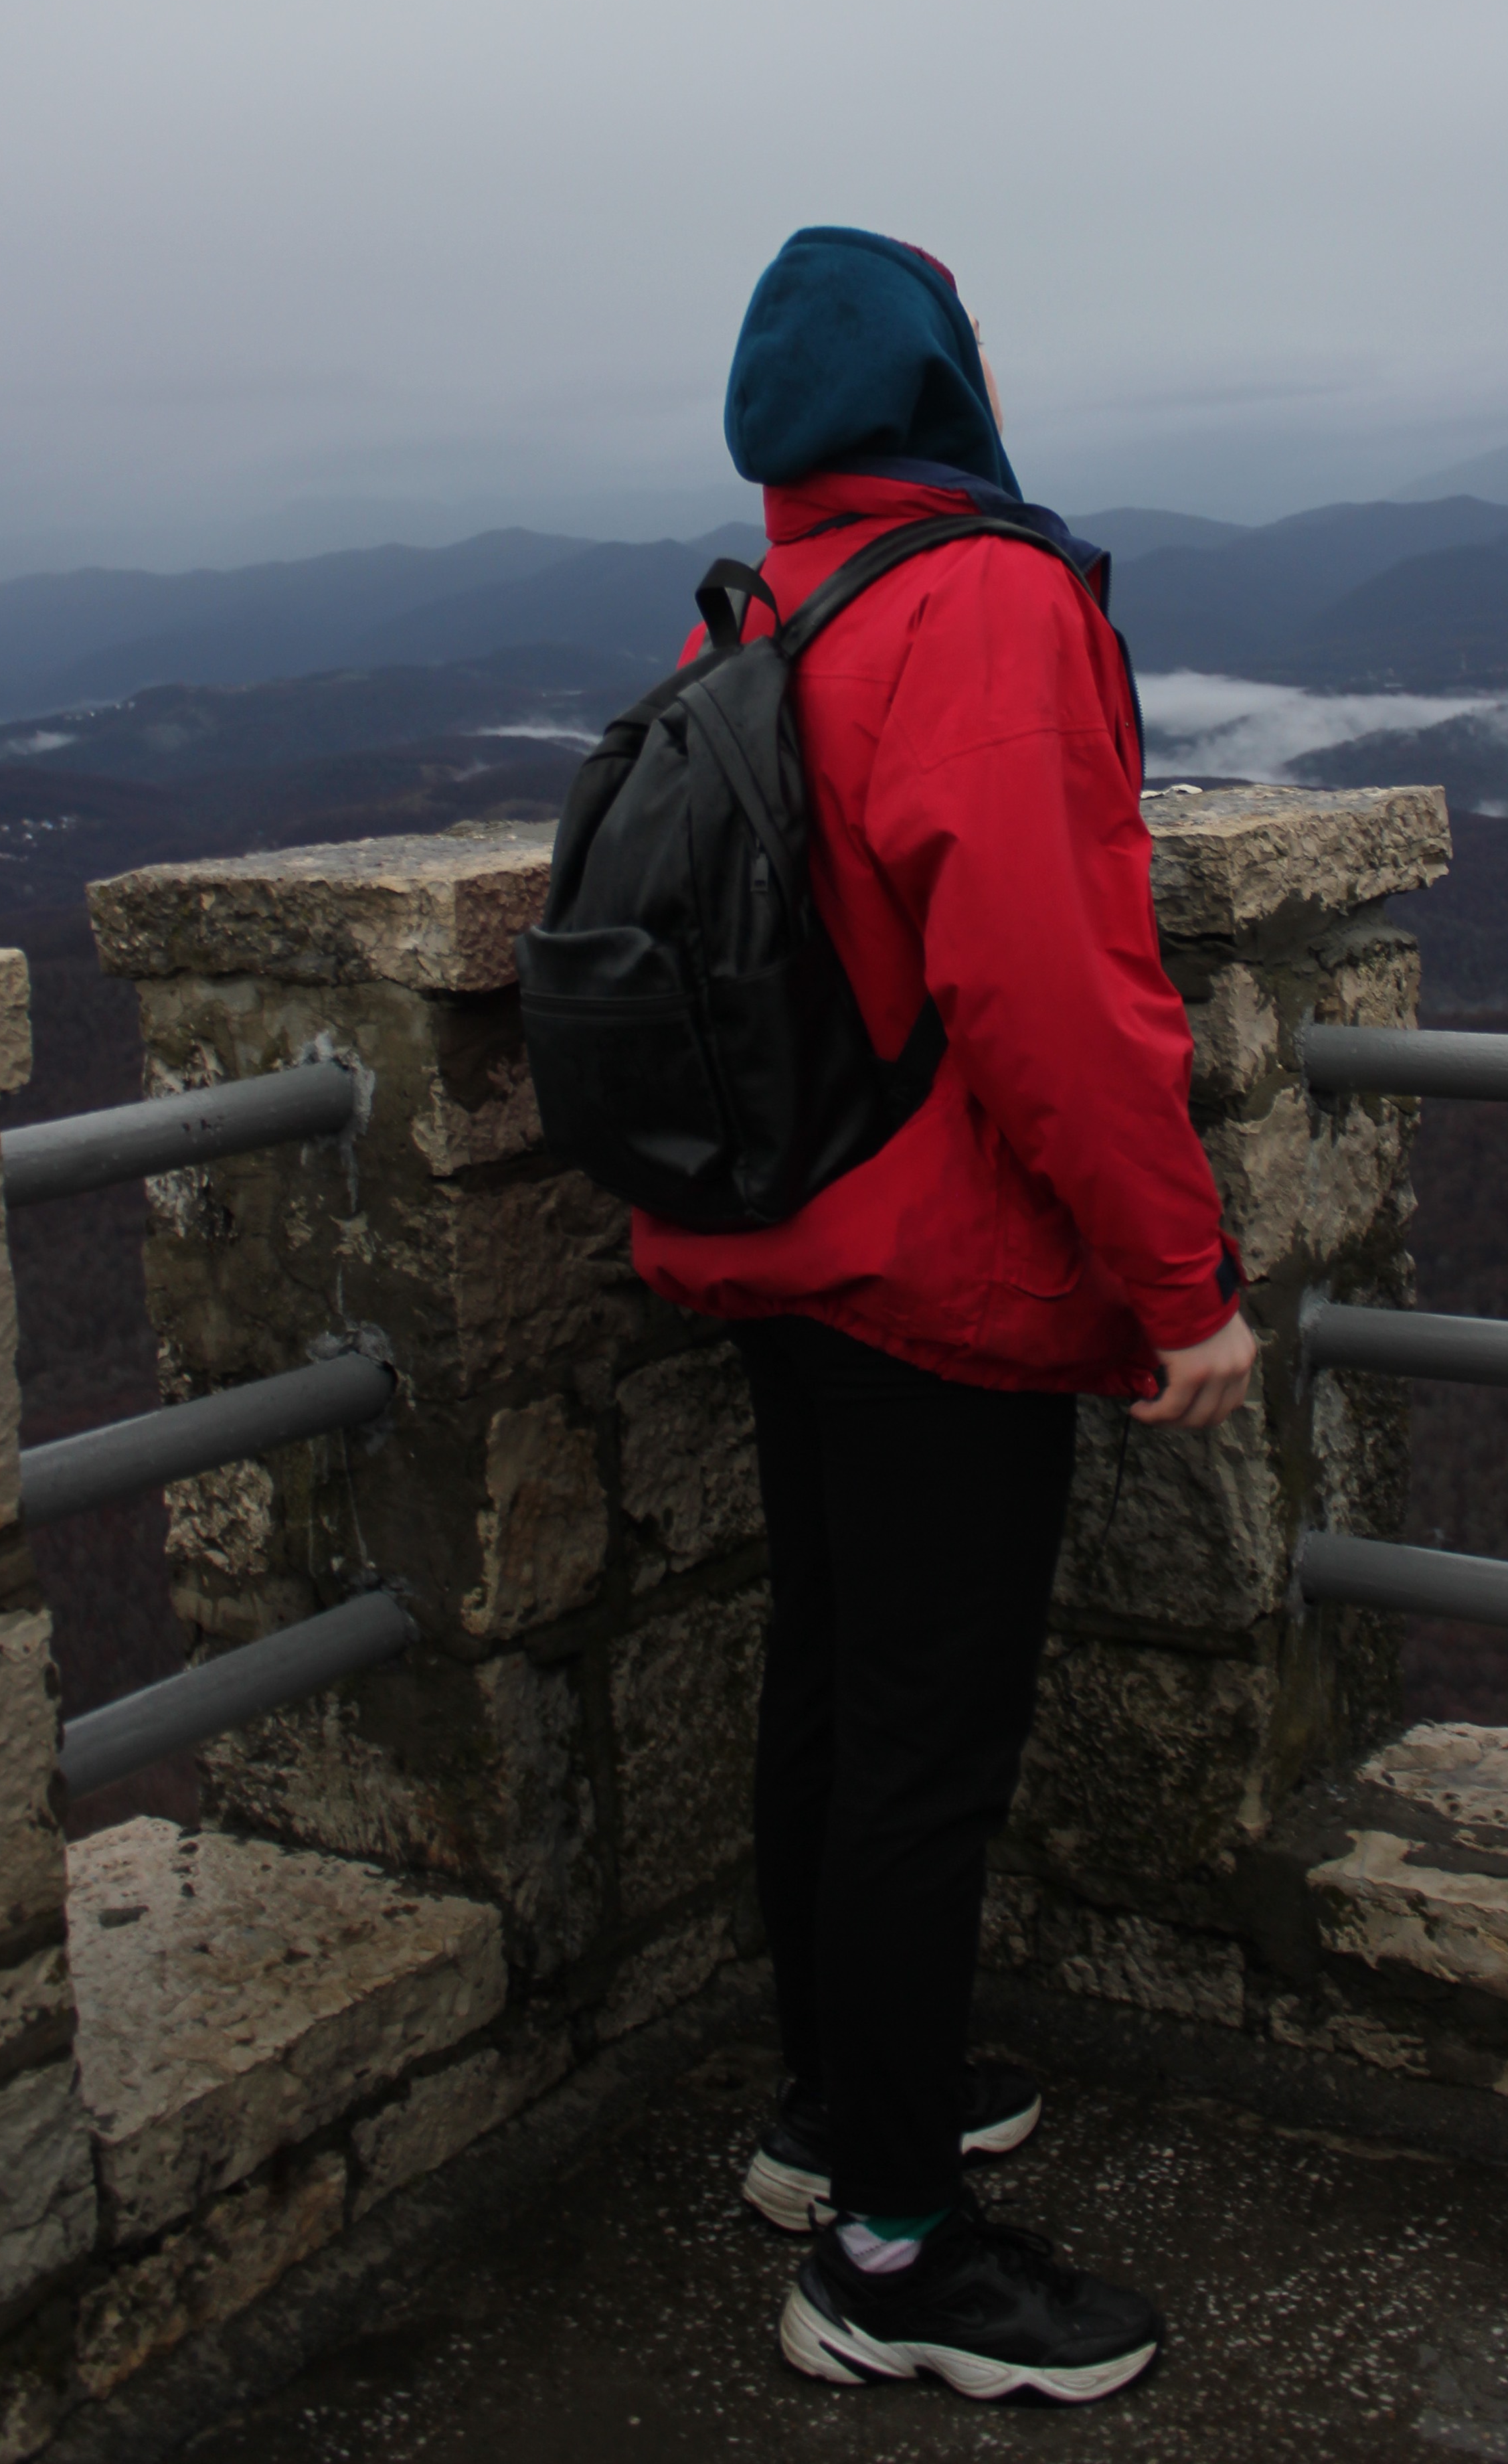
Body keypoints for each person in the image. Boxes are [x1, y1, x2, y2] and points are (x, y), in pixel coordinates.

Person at [630, 226, 1257, 2404]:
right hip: (936, 1277)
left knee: (832, 1691)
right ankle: (895, 2254)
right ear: (945, 378)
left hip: (781, 1247)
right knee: (923, 1750)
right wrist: (1181, 1289)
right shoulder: (979, 599)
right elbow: (1055, 992)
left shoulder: (777, 595)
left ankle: (839, 2111)